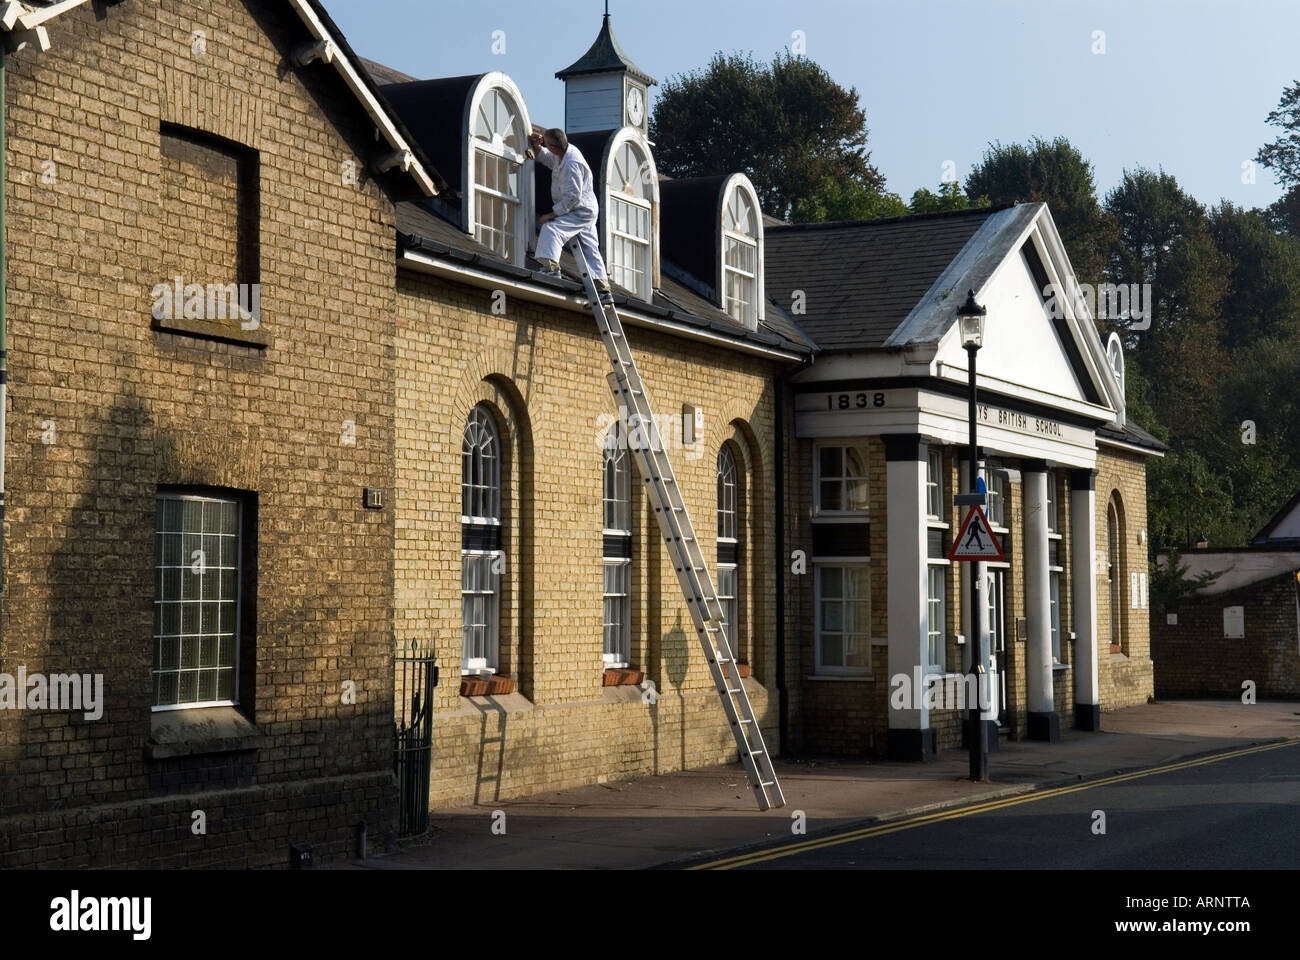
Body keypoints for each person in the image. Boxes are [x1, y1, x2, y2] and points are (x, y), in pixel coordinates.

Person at [530, 127, 613, 305]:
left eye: (546, 143)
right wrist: (537, 148)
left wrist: (552, 214)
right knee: (590, 249)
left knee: (551, 229)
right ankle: (603, 291)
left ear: (553, 145)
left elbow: (572, 198)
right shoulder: (564, 153)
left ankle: (551, 268)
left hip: (580, 210)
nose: (544, 144)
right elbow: (549, 159)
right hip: (585, 209)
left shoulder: (572, 163)